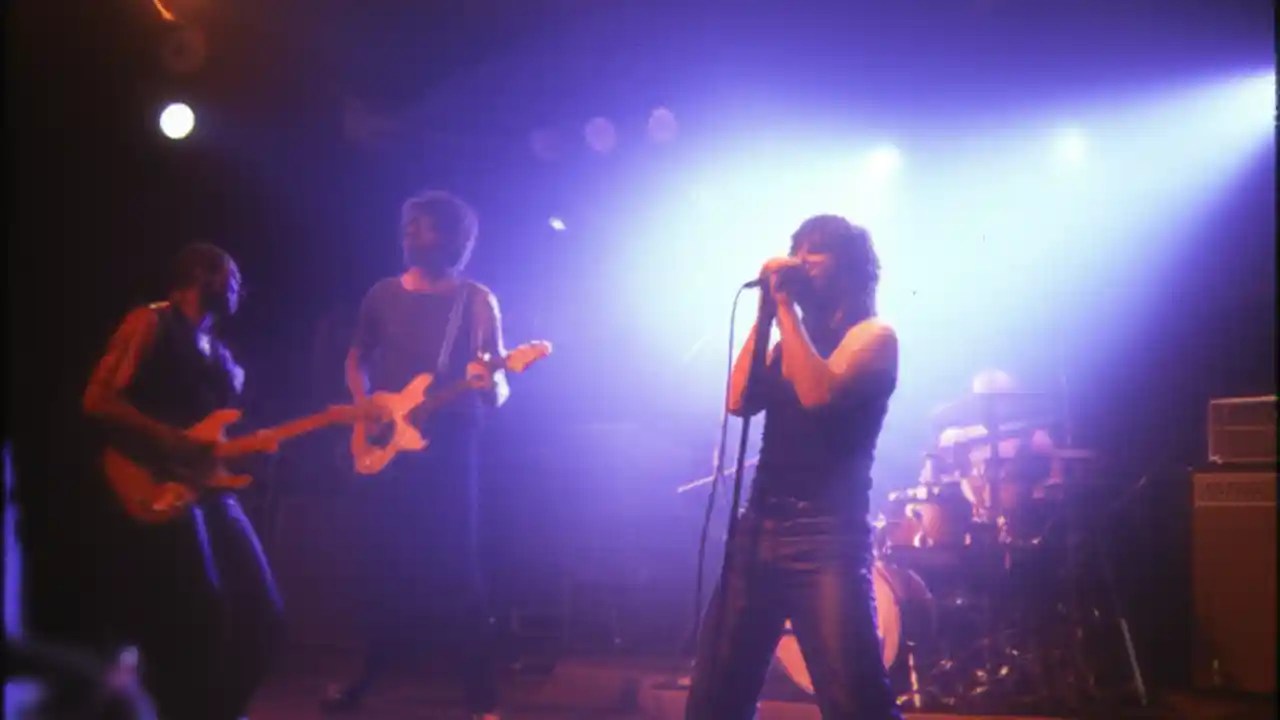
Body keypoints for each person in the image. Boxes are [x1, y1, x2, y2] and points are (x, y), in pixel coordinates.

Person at [685, 215, 902, 719]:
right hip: (758, 529)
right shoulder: (788, 339)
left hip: (825, 539)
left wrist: (785, 308)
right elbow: (738, 400)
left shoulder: (875, 336)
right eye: (797, 249)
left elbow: (816, 394)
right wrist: (765, 315)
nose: (800, 261)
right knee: (716, 696)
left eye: (816, 251)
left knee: (854, 698)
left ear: (850, 267)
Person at [321, 190, 505, 720]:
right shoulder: (380, 295)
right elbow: (357, 358)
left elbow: (498, 386)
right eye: (409, 224)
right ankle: (365, 677)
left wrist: (488, 381)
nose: (411, 233)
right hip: (386, 443)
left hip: (450, 445)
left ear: (454, 238)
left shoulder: (475, 300)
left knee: (458, 567)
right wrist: (365, 406)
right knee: (380, 563)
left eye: (424, 226)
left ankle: (481, 695)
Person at [81, 243, 283, 720]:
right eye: (231, 276)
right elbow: (98, 399)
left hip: (208, 487)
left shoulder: (222, 354)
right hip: (155, 483)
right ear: (204, 274)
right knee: (203, 613)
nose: (238, 289)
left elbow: (215, 431)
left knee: (264, 616)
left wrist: (249, 450)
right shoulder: (150, 322)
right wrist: (169, 440)